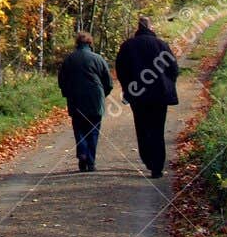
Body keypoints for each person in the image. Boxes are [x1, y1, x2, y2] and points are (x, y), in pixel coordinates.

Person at [115, 15, 179, 178]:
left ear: (138, 27)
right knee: (158, 129)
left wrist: (127, 88)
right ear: (151, 28)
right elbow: (173, 68)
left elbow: (121, 70)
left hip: (138, 95)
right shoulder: (161, 45)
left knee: (142, 127)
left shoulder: (128, 46)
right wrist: (168, 84)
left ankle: (148, 159)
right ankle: (157, 166)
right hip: (160, 94)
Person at [57, 29, 113, 171]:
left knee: (79, 128)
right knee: (93, 130)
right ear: (90, 43)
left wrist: (67, 93)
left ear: (77, 43)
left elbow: (62, 80)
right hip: (95, 99)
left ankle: (82, 153)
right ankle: (91, 161)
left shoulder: (69, 59)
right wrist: (102, 94)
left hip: (76, 99)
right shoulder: (98, 58)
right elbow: (108, 82)